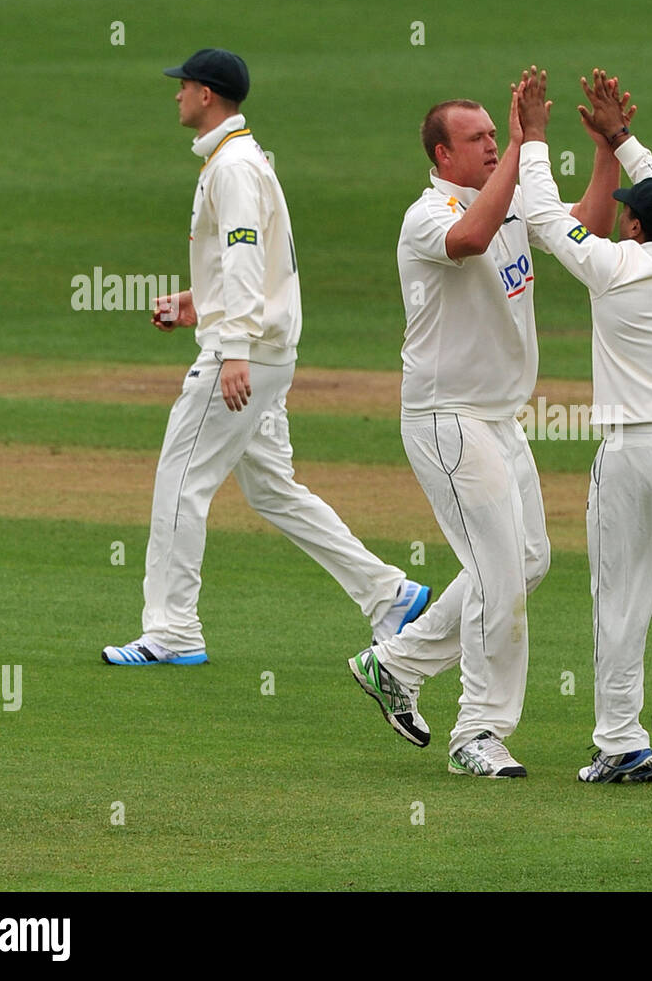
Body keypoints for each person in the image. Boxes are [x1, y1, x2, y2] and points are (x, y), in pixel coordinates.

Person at [103, 48, 429, 668]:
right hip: (265, 350)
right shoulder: (239, 161)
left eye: (185, 86)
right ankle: (390, 592)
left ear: (207, 96)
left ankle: (173, 632)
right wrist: (200, 302)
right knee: (274, 491)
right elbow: (248, 265)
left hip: (247, 356)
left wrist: (231, 348)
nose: (176, 95)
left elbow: (247, 257)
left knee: (180, 482)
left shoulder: (232, 168)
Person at [348, 71, 621, 777]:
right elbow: (470, 238)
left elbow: (586, 230)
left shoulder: (512, 194)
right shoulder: (428, 214)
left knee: (529, 561)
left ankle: (396, 665)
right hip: (447, 419)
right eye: (479, 139)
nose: (494, 146)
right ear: (443, 155)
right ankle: (478, 734)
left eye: (498, 135)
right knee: (497, 573)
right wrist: (529, 145)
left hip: (500, 418)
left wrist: (606, 150)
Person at [515, 68, 652, 783]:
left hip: (635, 449)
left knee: (622, 589)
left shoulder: (613, 266)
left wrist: (536, 140)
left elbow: (544, 217)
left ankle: (618, 740)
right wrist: (622, 140)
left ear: (633, 223)